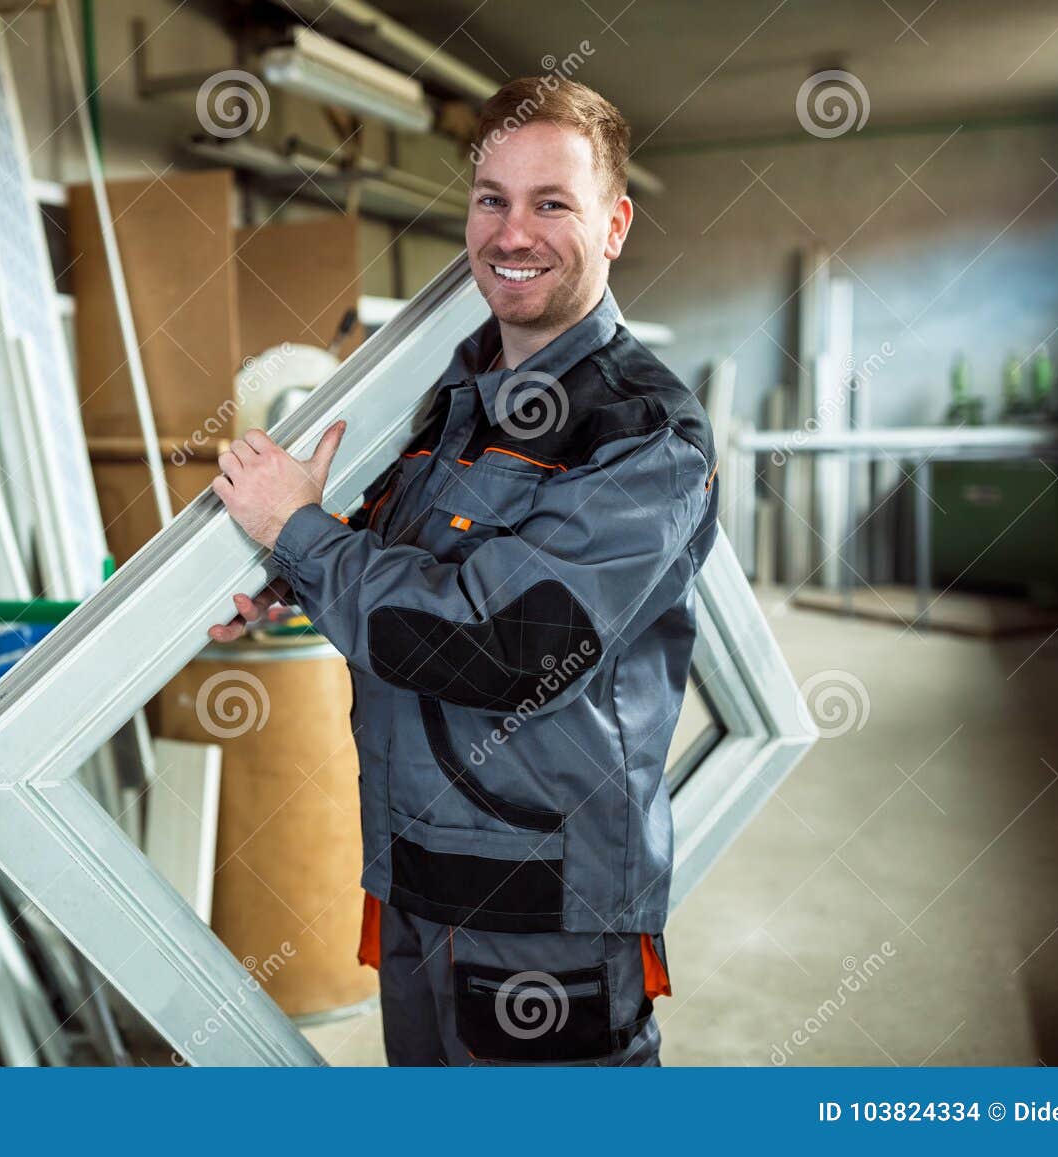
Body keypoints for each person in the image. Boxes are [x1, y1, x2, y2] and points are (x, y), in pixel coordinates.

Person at [206, 75, 720, 1066]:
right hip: (415, 873)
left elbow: (500, 647)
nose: (512, 231)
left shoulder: (640, 430)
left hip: (538, 907)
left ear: (614, 224)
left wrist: (301, 535)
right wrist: (290, 575)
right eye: (492, 198)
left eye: (551, 202)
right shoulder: (460, 394)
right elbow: (408, 571)